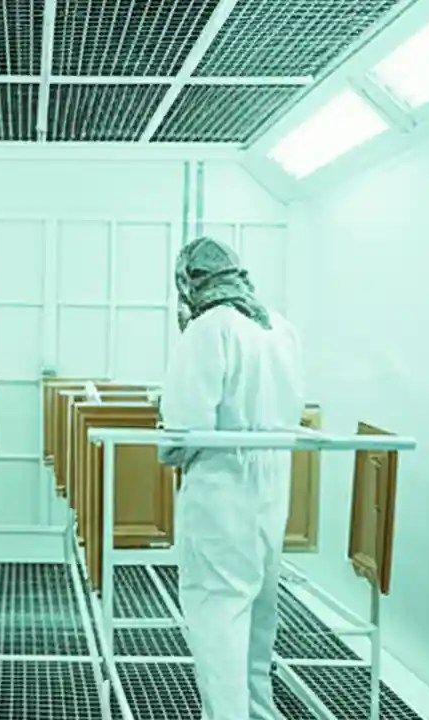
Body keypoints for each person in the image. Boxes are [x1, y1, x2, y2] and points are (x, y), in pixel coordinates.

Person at [160, 236, 305, 720]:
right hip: (273, 482)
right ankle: (259, 711)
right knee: (261, 609)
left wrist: (169, 445)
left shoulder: (208, 328)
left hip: (222, 484)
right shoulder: (278, 327)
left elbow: (183, 428)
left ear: (188, 281)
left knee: (218, 608)